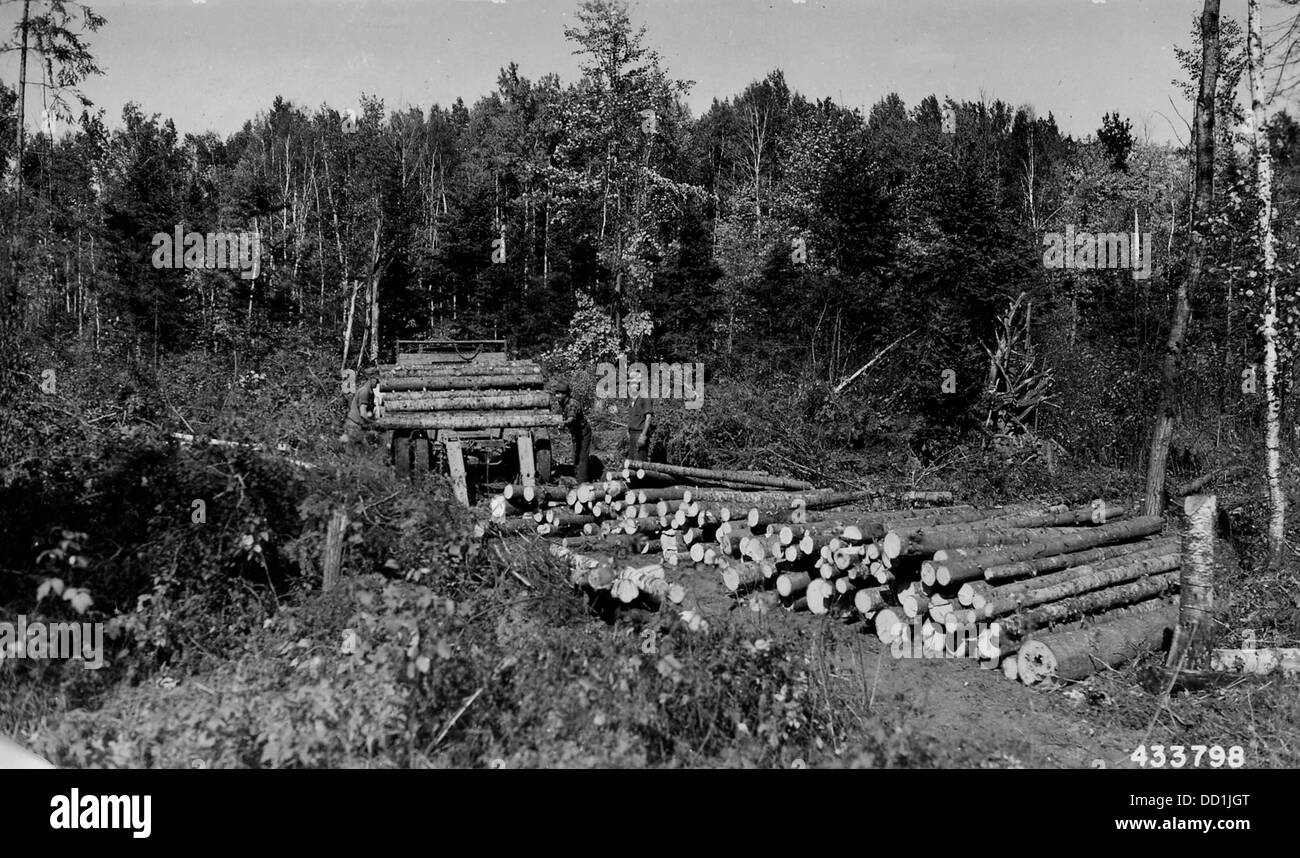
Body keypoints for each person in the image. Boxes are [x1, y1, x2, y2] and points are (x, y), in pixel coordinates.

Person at [554, 381, 592, 483]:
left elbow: (572, 418)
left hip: (583, 432)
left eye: (559, 393)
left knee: (582, 457)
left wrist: (565, 423)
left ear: (565, 394)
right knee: (575, 455)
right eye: (556, 393)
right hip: (576, 433)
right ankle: (577, 478)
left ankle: (583, 483)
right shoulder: (562, 403)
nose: (557, 396)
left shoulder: (572, 404)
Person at [342, 368, 378, 446]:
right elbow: (363, 413)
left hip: (357, 426)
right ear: (371, 379)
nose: (378, 383)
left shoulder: (370, 392)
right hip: (354, 426)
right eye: (377, 380)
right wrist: (373, 423)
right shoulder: (364, 391)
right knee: (359, 452)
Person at [626, 368, 652, 462]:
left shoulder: (645, 397)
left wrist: (643, 435)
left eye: (633, 383)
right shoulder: (632, 398)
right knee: (631, 461)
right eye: (630, 383)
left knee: (639, 462)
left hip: (639, 433)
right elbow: (631, 416)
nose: (631, 385)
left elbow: (648, 418)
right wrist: (628, 430)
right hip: (632, 433)